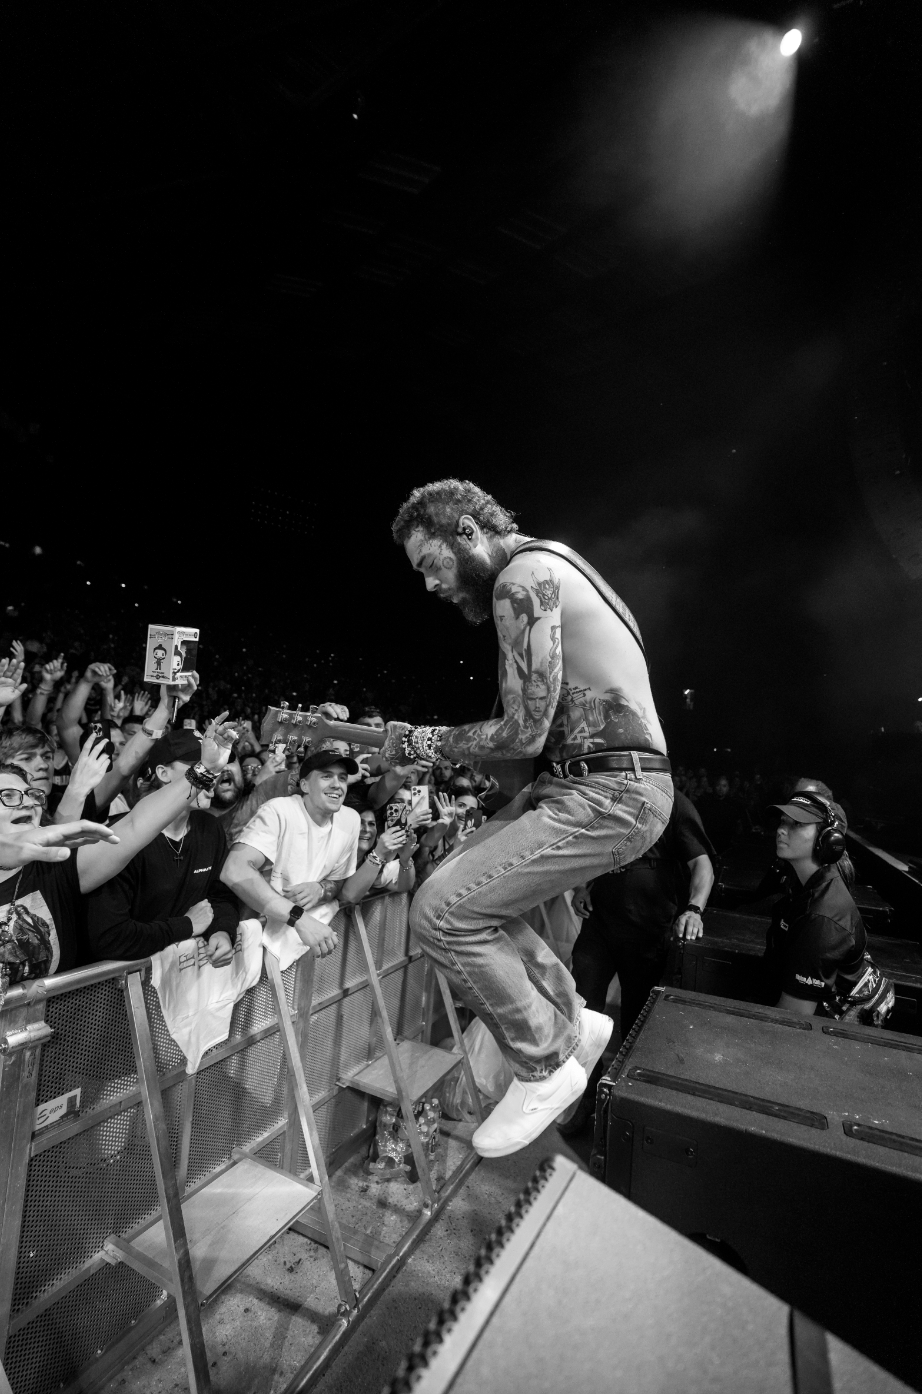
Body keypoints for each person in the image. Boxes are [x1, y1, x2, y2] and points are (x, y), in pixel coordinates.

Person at [386, 479, 673, 1157]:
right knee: (463, 877)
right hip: (587, 783)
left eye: (431, 566)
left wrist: (423, 742)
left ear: (466, 532)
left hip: (610, 792)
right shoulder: (562, 565)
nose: (430, 586)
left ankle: (543, 1066)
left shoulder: (524, 578)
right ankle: (574, 1020)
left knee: (440, 911)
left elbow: (521, 732)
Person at [0, 717, 235, 986]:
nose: (27, 804)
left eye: (32, 796)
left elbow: (137, 826)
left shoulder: (53, 870)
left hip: (53, 1023)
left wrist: (205, 770)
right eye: (8, 796)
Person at [560, 789, 715, 1135]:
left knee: (637, 1019)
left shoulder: (676, 804)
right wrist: (583, 888)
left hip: (648, 929)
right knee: (582, 1005)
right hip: (600, 923)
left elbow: (701, 864)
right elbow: (592, 853)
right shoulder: (612, 797)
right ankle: (584, 1095)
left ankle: (620, 1107)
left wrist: (694, 908)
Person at [85, 729, 240, 963]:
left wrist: (221, 929)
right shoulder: (120, 836)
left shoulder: (209, 828)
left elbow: (219, 897)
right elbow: (110, 938)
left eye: (214, 767)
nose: (211, 775)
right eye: (198, 765)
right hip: (115, 989)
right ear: (163, 773)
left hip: (181, 984)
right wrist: (185, 926)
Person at [763, 790, 893, 1023]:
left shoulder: (823, 917)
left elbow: (792, 1018)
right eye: (783, 821)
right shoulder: (804, 883)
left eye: (797, 824)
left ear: (827, 840)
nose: (782, 830)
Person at [220, 750, 362, 962]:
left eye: (342, 778)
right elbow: (233, 870)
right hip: (250, 940)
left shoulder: (350, 820)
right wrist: (300, 918)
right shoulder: (279, 811)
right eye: (326, 776)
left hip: (301, 945)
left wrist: (321, 889)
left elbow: (339, 880)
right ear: (304, 785)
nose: (336, 784)